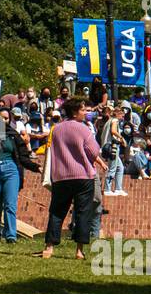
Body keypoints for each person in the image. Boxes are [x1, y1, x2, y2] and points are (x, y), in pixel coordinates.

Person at [38, 99, 107, 260]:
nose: (86, 113)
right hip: (83, 176)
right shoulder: (83, 129)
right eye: (83, 110)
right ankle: (79, 250)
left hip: (61, 176)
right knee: (83, 212)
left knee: (56, 211)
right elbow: (93, 150)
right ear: (75, 112)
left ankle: (49, 247)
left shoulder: (55, 129)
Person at [0, 108, 40, 244]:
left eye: (6, 118)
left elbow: (23, 156)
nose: (4, 121)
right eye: (1, 118)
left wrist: (35, 167)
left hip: (11, 169)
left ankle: (11, 236)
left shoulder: (13, 134)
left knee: (10, 204)